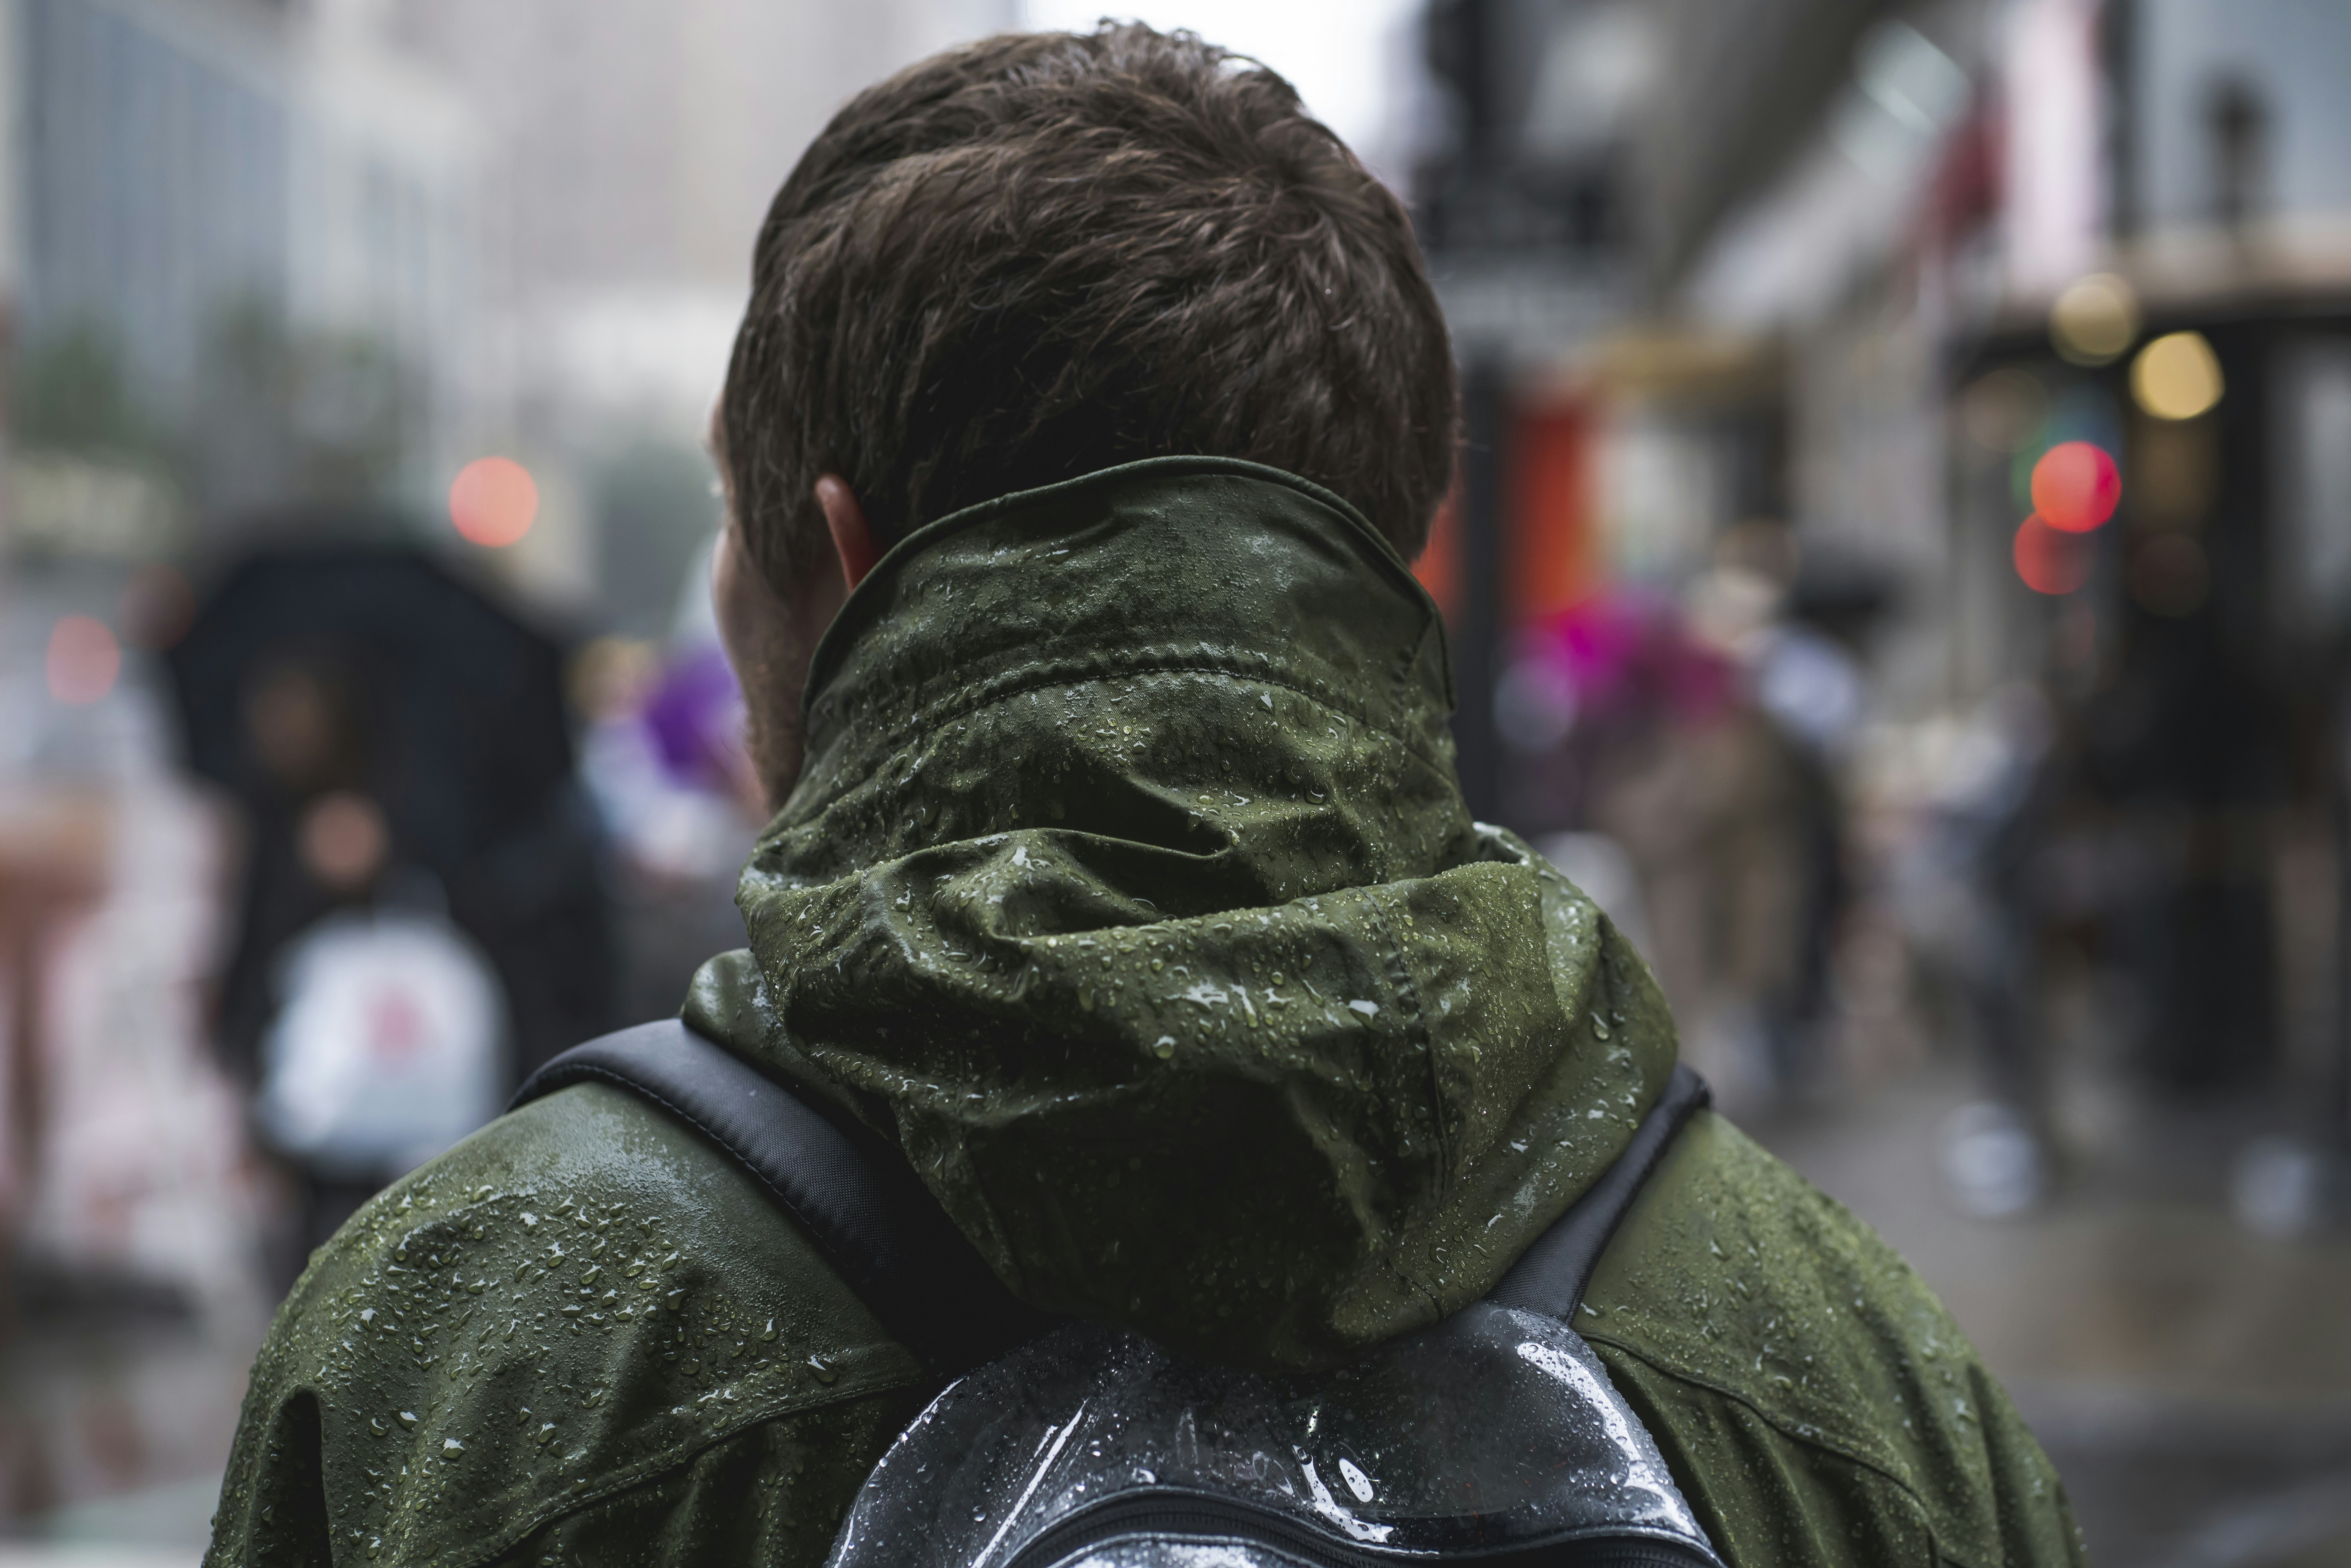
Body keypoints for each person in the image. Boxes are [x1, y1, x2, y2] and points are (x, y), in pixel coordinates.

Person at [205, 25, 2083, 1567]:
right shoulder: (1856, 1385)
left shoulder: (467, 1355)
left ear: (840, 566)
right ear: (1381, 565)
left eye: (728, 525)